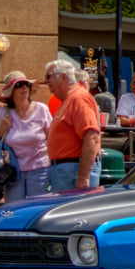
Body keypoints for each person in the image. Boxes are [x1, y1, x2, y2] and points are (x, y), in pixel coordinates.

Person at [0, 71, 52, 201]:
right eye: (19, 85)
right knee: (15, 208)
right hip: (13, 171)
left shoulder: (42, 109)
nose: (24, 88)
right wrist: (0, 130)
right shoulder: (5, 112)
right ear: (11, 92)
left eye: (26, 84)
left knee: (37, 208)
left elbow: (51, 138)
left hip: (40, 169)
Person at [44, 57, 102, 192]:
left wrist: (83, 178)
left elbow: (91, 137)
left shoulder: (79, 98)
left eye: (49, 76)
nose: (45, 81)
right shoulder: (69, 99)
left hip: (73, 171)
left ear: (64, 77)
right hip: (67, 171)